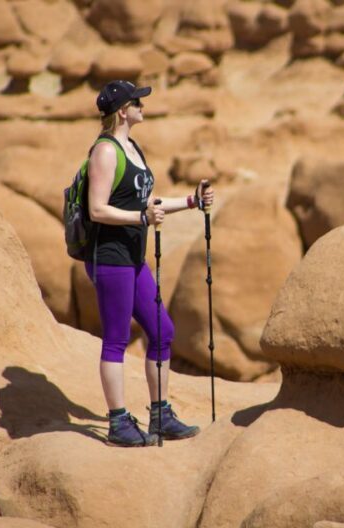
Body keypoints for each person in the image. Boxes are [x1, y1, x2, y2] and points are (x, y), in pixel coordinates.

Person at [86, 79, 214, 447]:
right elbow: (97, 209)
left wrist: (191, 201)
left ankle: (160, 415)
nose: (143, 104)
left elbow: (145, 200)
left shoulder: (132, 147)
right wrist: (141, 219)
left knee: (163, 331)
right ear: (122, 111)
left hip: (133, 257)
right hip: (111, 259)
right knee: (116, 340)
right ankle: (118, 423)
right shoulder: (106, 151)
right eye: (137, 101)